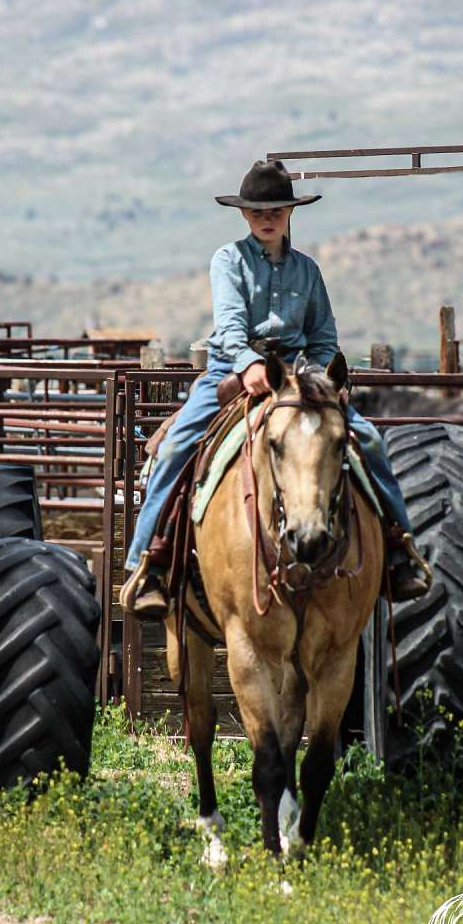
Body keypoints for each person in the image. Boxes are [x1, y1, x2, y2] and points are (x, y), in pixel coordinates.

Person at [121, 159, 428, 619]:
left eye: (276, 211)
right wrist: (248, 364)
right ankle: (149, 564)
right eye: (257, 212)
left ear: (290, 212)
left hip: (299, 373)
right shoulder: (228, 260)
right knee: (176, 446)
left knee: (367, 438)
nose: (267, 218)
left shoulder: (308, 270)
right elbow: (229, 327)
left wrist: (321, 377)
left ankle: (399, 550)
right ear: (244, 214)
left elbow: (323, 336)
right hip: (232, 367)